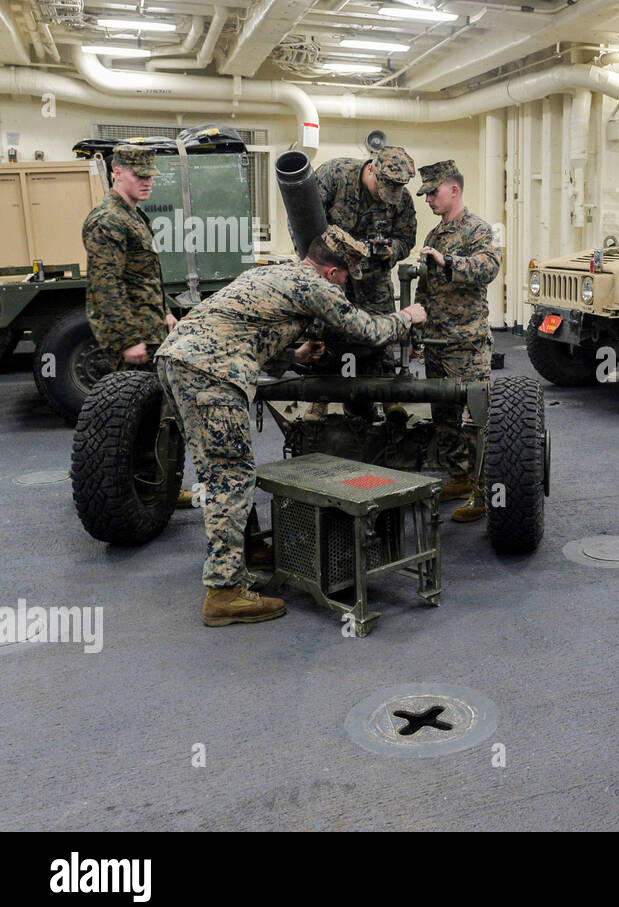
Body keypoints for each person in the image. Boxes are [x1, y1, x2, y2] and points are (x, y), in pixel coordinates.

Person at [155, 226, 427, 627]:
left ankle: (240, 558)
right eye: (346, 276)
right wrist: (407, 316)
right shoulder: (317, 287)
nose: (346, 283)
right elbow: (368, 332)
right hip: (210, 373)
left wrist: (294, 354)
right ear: (333, 272)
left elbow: (247, 328)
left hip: (177, 362)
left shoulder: (274, 273)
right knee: (231, 475)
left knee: (219, 471)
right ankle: (224, 591)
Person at [83, 143, 194, 509]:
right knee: (137, 420)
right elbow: (106, 286)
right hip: (132, 337)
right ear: (117, 173)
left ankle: (149, 481)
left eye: (150, 175)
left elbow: (142, 277)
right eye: (139, 175)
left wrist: (163, 311)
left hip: (149, 329)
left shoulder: (132, 214)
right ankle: (145, 492)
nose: (147, 182)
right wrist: (129, 340)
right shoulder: (108, 220)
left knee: (152, 413)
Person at [414, 160, 501, 524]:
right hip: (436, 342)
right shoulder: (434, 235)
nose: (429, 199)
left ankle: (483, 491)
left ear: (454, 189)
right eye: (426, 194)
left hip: (467, 343)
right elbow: (426, 286)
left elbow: (489, 267)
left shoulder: (479, 229)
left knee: (476, 419)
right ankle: (460, 477)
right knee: (444, 419)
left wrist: (447, 260)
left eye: (433, 192)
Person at [310, 146, 417, 420]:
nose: (386, 195)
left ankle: (387, 398)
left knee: (383, 330)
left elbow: (406, 239)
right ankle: (319, 399)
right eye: (382, 186)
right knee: (325, 330)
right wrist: (319, 263)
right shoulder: (334, 175)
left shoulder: (401, 200)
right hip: (331, 274)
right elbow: (304, 222)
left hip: (373, 278)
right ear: (371, 168)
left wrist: (393, 249)